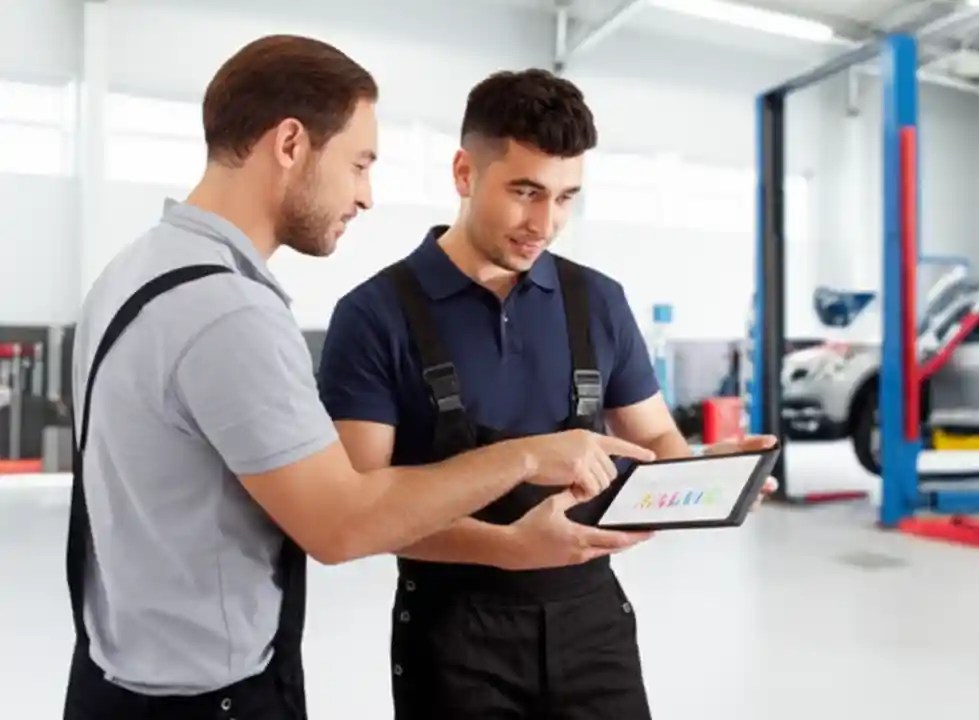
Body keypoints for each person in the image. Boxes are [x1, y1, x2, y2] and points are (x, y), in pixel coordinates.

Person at [63, 38, 652, 720]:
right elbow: (342, 524)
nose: (367, 195)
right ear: (290, 143)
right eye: (359, 163)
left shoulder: (130, 273)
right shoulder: (233, 311)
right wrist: (529, 455)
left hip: (116, 678)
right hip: (209, 697)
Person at [317, 68, 777, 719]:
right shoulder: (374, 316)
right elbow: (360, 512)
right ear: (464, 173)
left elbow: (653, 442)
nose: (545, 222)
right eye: (526, 192)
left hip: (593, 628)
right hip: (453, 638)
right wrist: (508, 549)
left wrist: (712, 475)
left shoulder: (599, 302)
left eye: (566, 197)